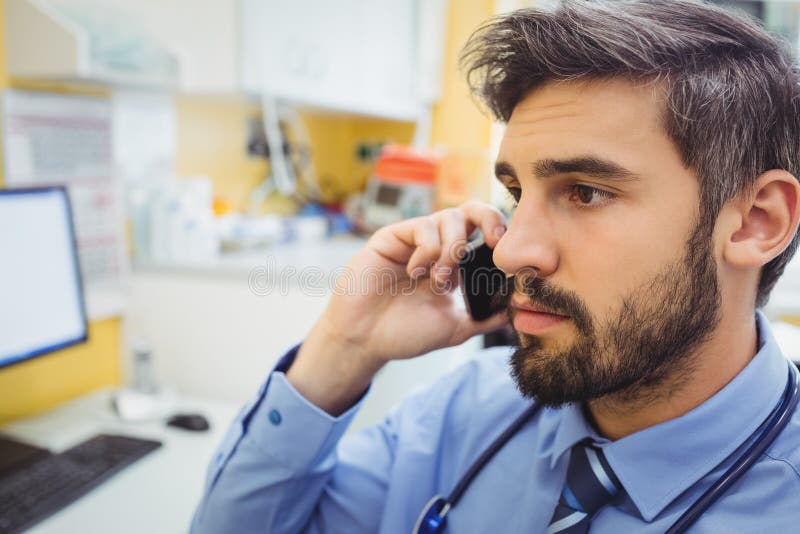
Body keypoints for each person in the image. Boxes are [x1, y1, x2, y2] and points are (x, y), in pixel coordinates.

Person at [191, 0, 800, 532]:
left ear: (757, 222)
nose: (509, 252)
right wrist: (343, 347)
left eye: (585, 192)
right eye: (515, 194)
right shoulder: (467, 411)